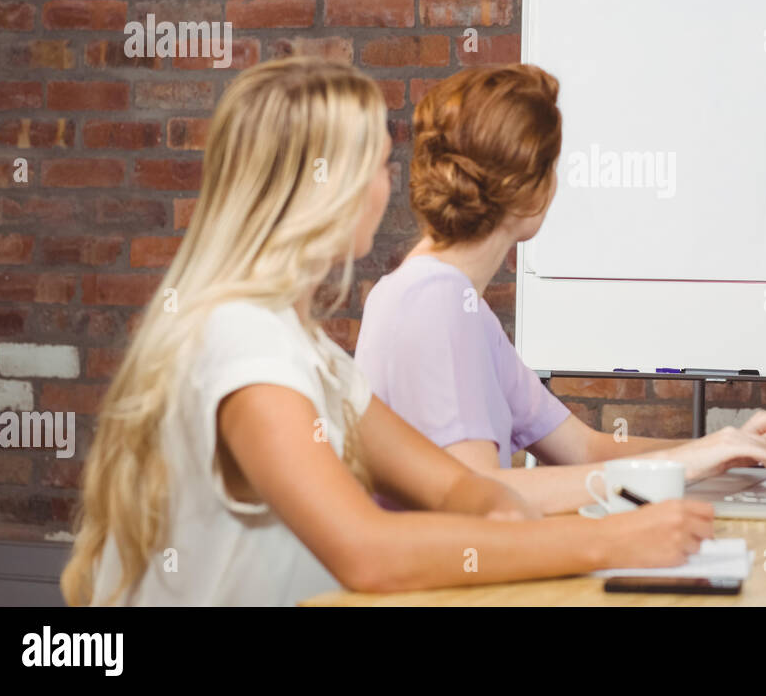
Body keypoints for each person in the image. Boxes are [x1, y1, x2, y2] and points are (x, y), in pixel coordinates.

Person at [60, 57, 715, 607]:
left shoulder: (306, 350)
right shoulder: (239, 341)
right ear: (327, 187)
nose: (387, 187)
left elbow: (452, 485)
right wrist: (614, 541)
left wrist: (500, 515)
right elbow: (365, 552)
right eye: (376, 166)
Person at [356, 65, 766, 514]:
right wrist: (683, 464)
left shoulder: (449, 300)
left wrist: (726, 445)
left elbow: (583, 449)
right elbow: (480, 497)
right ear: (534, 191)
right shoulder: (433, 301)